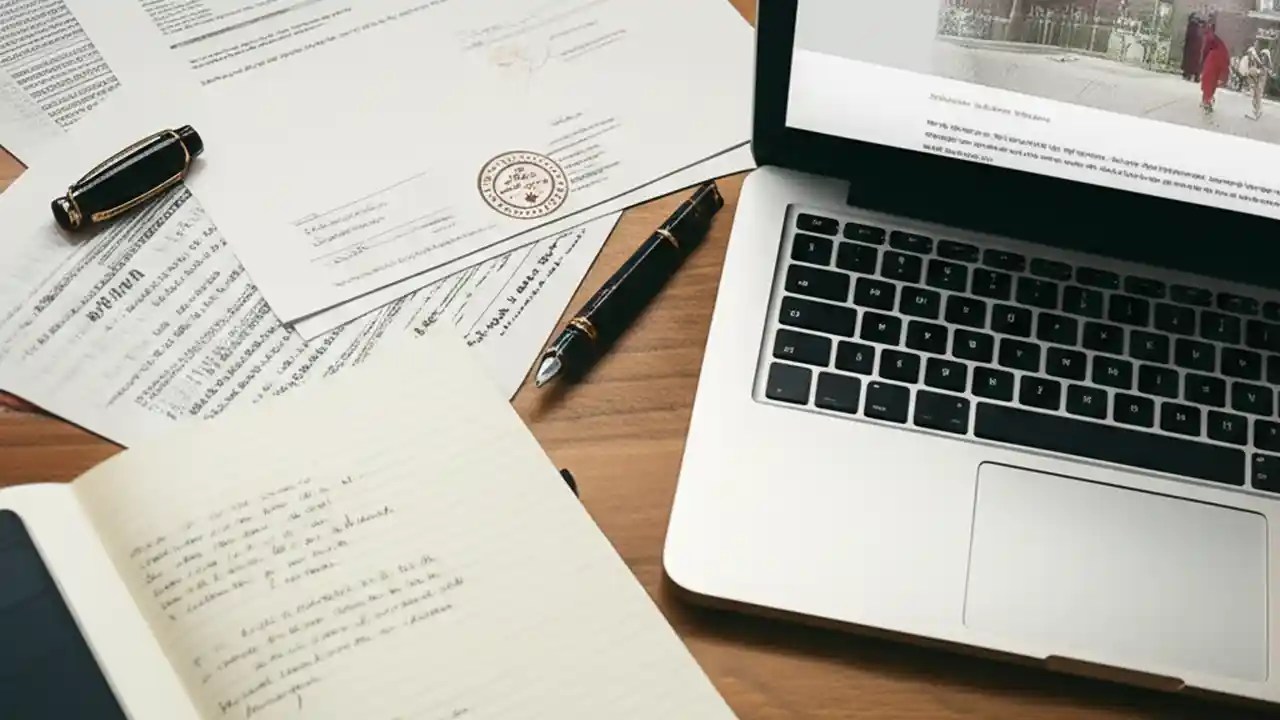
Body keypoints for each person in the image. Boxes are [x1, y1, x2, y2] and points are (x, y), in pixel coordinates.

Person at [1201, 24, 1230, 112]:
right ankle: (1207, 100)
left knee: (1208, 83)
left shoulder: (1215, 50)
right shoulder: (1219, 48)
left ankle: (1207, 100)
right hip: (1214, 65)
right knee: (1210, 84)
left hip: (1213, 63)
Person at [1182, 14, 1204, 82]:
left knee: (1189, 61)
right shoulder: (1199, 28)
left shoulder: (1192, 26)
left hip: (1191, 47)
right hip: (1197, 47)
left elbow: (1188, 36)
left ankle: (1188, 74)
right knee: (1195, 61)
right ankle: (1196, 75)